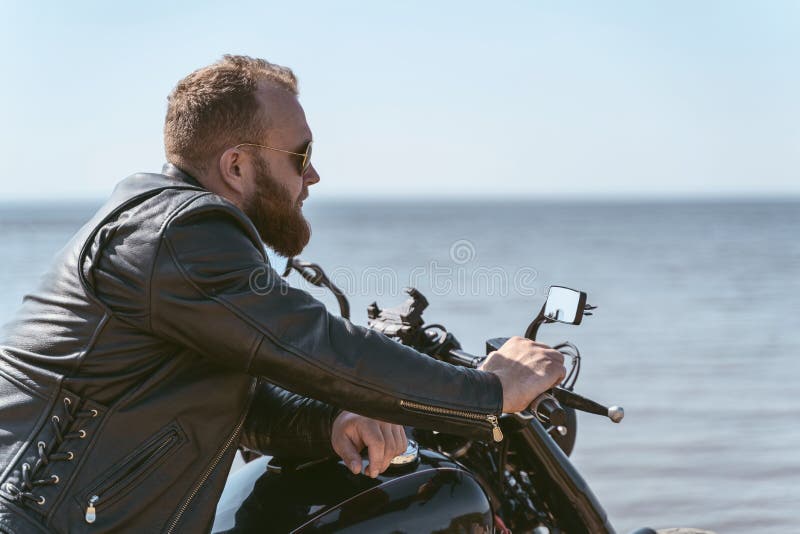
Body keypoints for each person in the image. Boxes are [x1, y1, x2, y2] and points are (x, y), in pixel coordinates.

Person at [0, 55, 566, 533]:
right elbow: (314, 344)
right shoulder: (180, 232)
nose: (314, 175)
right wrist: (492, 391)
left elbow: (223, 402)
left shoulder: (162, 232)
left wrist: (331, 421)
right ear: (238, 166)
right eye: (300, 155)